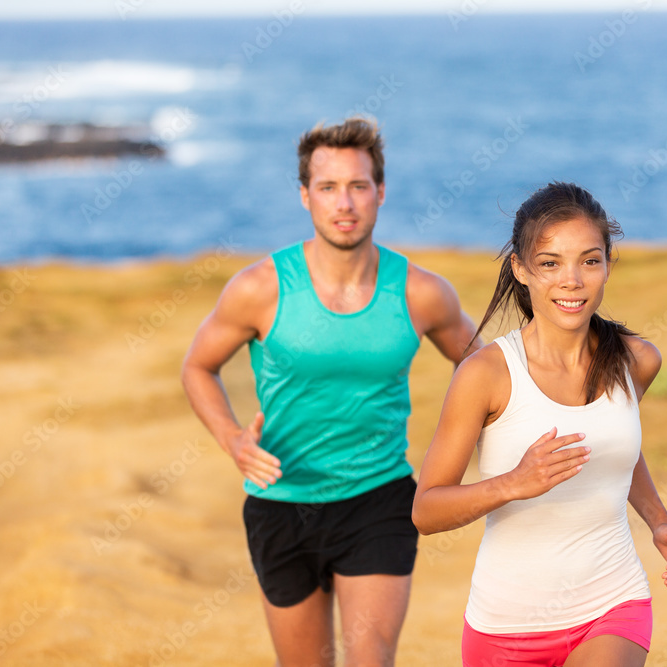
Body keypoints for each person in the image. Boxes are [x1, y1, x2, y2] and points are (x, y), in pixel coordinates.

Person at [181, 117, 480, 667]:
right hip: (281, 503)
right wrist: (232, 439)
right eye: (328, 187)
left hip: (379, 497)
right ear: (305, 196)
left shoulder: (421, 293)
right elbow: (198, 367)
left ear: (380, 191)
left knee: (371, 658)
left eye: (358, 185)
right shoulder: (259, 289)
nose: (344, 203)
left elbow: (484, 370)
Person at [411, 181, 667, 667]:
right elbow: (426, 511)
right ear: (521, 269)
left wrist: (660, 520)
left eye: (590, 261)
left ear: (608, 265)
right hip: (506, 626)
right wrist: (512, 483)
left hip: (613, 602)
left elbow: (616, 447)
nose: (572, 280)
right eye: (550, 263)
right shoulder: (485, 375)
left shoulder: (637, 360)